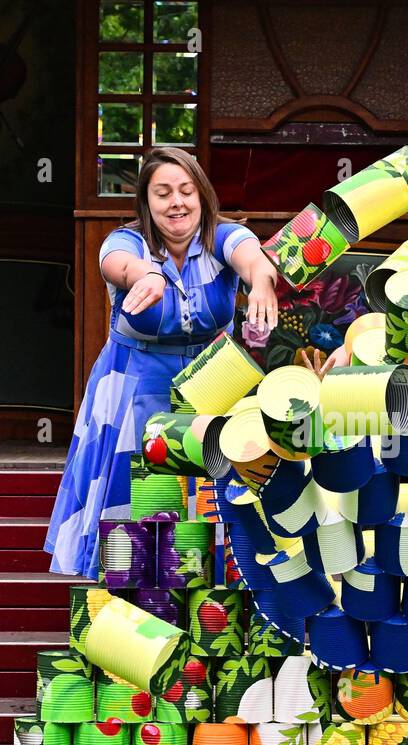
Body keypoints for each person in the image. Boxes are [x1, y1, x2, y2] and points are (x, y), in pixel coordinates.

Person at [45, 147, 280, 578]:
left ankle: (212, 600)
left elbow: (252, 259)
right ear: (147, 203)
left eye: (186, 191)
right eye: (163, 193)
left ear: (202, 196)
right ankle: (123, 605)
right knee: (137, 498)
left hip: (212, 382)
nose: (177, 203)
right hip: (137, 384)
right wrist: (147, 274)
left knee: (213, 489)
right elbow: (114, 264)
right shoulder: (127, 241)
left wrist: (262, 281)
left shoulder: (223, 237)